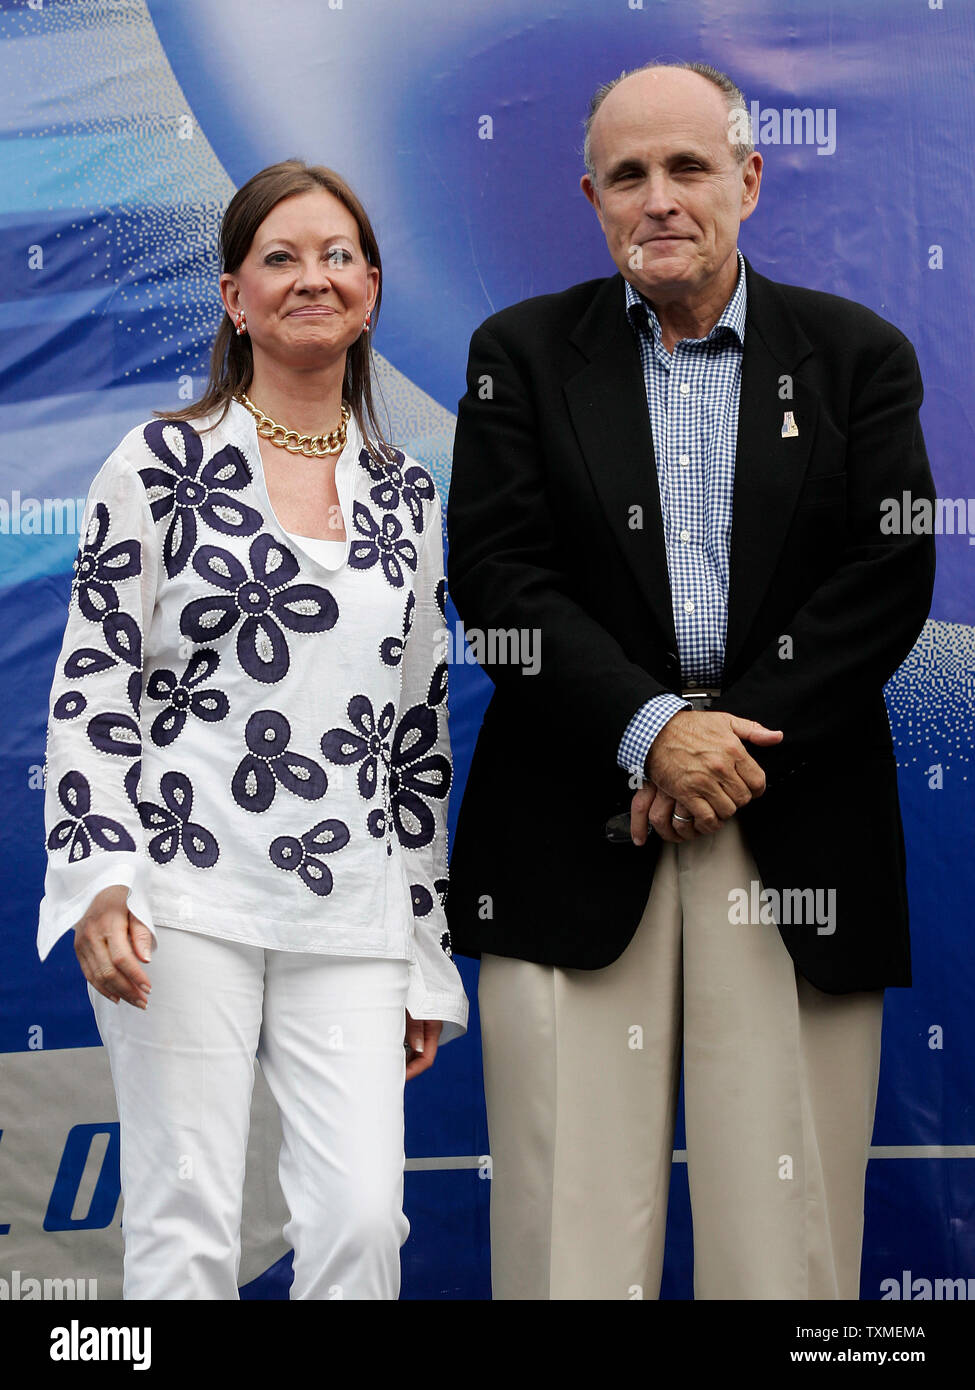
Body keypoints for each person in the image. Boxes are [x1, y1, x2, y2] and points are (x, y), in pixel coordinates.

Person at [446, 62, 936, 1300]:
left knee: (788, 1247)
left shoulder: (857, 355)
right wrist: (654, 730)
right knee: (568, 1246)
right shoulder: (518, 354)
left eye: (688, 168)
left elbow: (888, 572)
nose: (659, 198)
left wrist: (721, 744)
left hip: (794, 819)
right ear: (593, 199)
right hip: (572, 816)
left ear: (749, 181)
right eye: (628, 176)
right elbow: (498, 576)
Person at [38, 159, 467, 1300]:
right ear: (235, 298)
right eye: (280, 257)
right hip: (181, 898)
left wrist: (422, 946)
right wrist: (99, 879)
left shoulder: (408, 495)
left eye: (336, 256)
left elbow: (416, 731)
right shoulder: (158, 464)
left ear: (370, 291)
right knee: (185, 1222)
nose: (311, 278)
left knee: (363, 1224)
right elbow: (93, 677)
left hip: (352, 909)